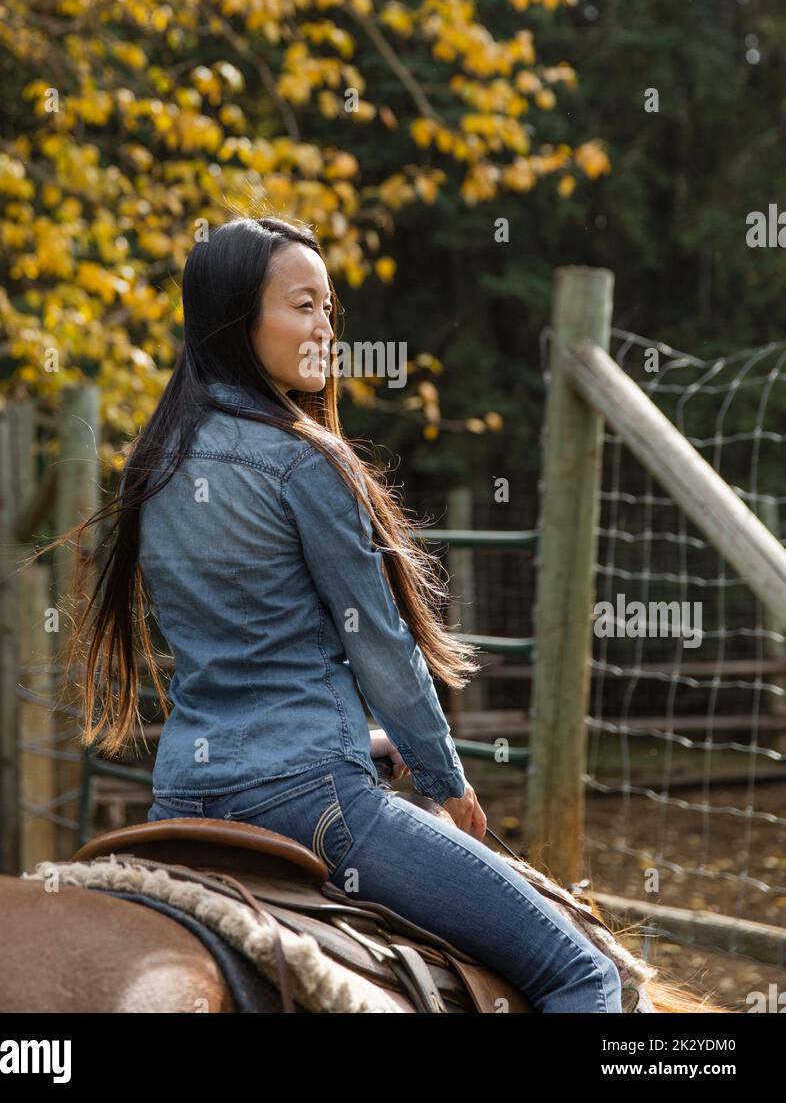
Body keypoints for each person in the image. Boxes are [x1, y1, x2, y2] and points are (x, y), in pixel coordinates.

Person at [65, 214, 624, 1013]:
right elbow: (384, 648)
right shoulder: (303, 459)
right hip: (314, 806)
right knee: (583, 974)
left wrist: (371, 741)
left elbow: (244, 664)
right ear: (235, 318)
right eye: (302, 306)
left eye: (329, 308)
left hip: (182, 802)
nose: (325, 327)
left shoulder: (154, 465)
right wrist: (445, 778)